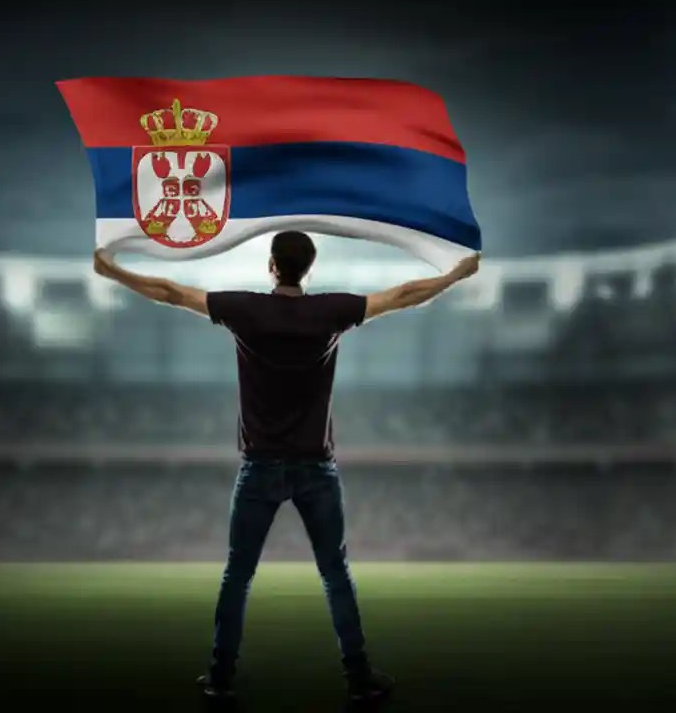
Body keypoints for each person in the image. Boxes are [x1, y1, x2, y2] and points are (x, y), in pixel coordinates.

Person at [92, 232, 479, 702]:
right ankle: (358, 677)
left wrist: (113, 270)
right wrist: (455, 274)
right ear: (308, 269)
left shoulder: (246, 310)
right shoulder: (329, 312)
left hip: (258, 468)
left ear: (272, 266)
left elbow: (171, 293)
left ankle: (220, 676)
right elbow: (403, 295)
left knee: (238, 575)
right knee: (335, 573)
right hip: (316, 467)